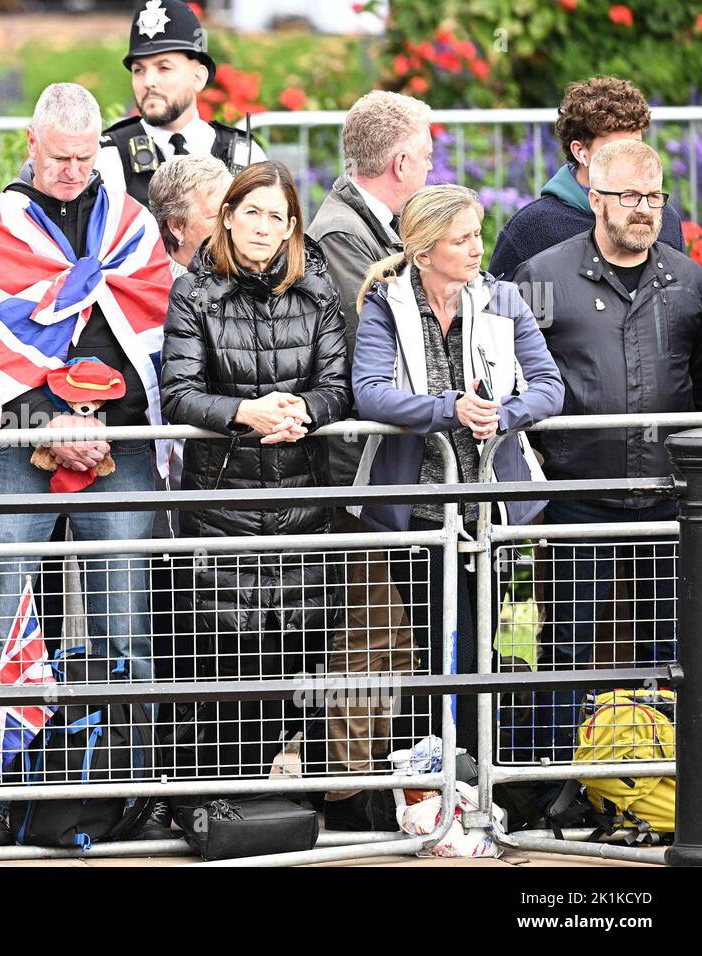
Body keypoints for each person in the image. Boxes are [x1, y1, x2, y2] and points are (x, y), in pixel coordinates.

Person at [0, 83, 173, 847]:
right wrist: (49, 421)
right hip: (15, 442)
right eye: (59, 157)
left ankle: (130, 792)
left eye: (84, 158)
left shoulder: (134, 227)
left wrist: (101, 425)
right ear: (31, 146)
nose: (73, 170)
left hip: (119, 443)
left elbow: (154, 337)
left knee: (127, 631)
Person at [161, 161, 350, 823]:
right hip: (222, 506)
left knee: (293, 655)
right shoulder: (194, 292)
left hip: (304, 504)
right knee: (226, 658)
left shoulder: (319, 290)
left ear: (291, 224)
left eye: (277, 215)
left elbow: (339, 387)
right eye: (252, 212)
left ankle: (275, 808)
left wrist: (304, 409)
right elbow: (178, 393)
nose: (263, 227)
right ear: (229, 216)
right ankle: (222, 805)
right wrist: (247, 413)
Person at [351, 184, 565, 761]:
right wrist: (450, 408)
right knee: (450, 650)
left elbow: (549, 388)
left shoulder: (503, 300)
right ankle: (449, 773)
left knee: (487, 652)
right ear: (423, 252)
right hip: (420, 513)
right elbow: (369, 393)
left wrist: (500, 413)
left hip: (491, 508)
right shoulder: (385, 304)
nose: (478, 249)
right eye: (462, 238)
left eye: (478, 233)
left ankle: (470, 776)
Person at [513, 140, 702, 762]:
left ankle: (667, 780)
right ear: (594, 197)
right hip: (577, 496)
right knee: (571, 643)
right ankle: (556, 780)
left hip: (672, 499)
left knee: (670, 649)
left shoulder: (689, 280)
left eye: (654, 197)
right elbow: (510, 377)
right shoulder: (542, 276)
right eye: (628, 196)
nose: (643, 209)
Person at [306, 89, 432, 829]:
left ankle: (378, 787)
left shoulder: (363, 226)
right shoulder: (342, 234)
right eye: (427, 152)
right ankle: (352, 799)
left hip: (385, 469)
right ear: (401, 160)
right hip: (353, 471)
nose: (432, 164)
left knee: (388, 635)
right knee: (367, 636)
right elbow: (388, 332)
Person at [489, 76, 686, 281]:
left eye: (635, 147)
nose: (630, 159)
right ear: (580, 151)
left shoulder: (662, 217)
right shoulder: (533, 227)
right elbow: (500, 309)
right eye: (616, 150)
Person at [96, 0, 265, 210]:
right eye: (139, 70)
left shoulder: (241, 155)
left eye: (164, 68)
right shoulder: (109, 156)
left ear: (198, 78)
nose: (148, 81)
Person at [146, 154, 232, 278]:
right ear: (177, 226)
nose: (232, 223)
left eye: (232, 212)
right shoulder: (146, 286)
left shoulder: (256, 279)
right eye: (217, 217)